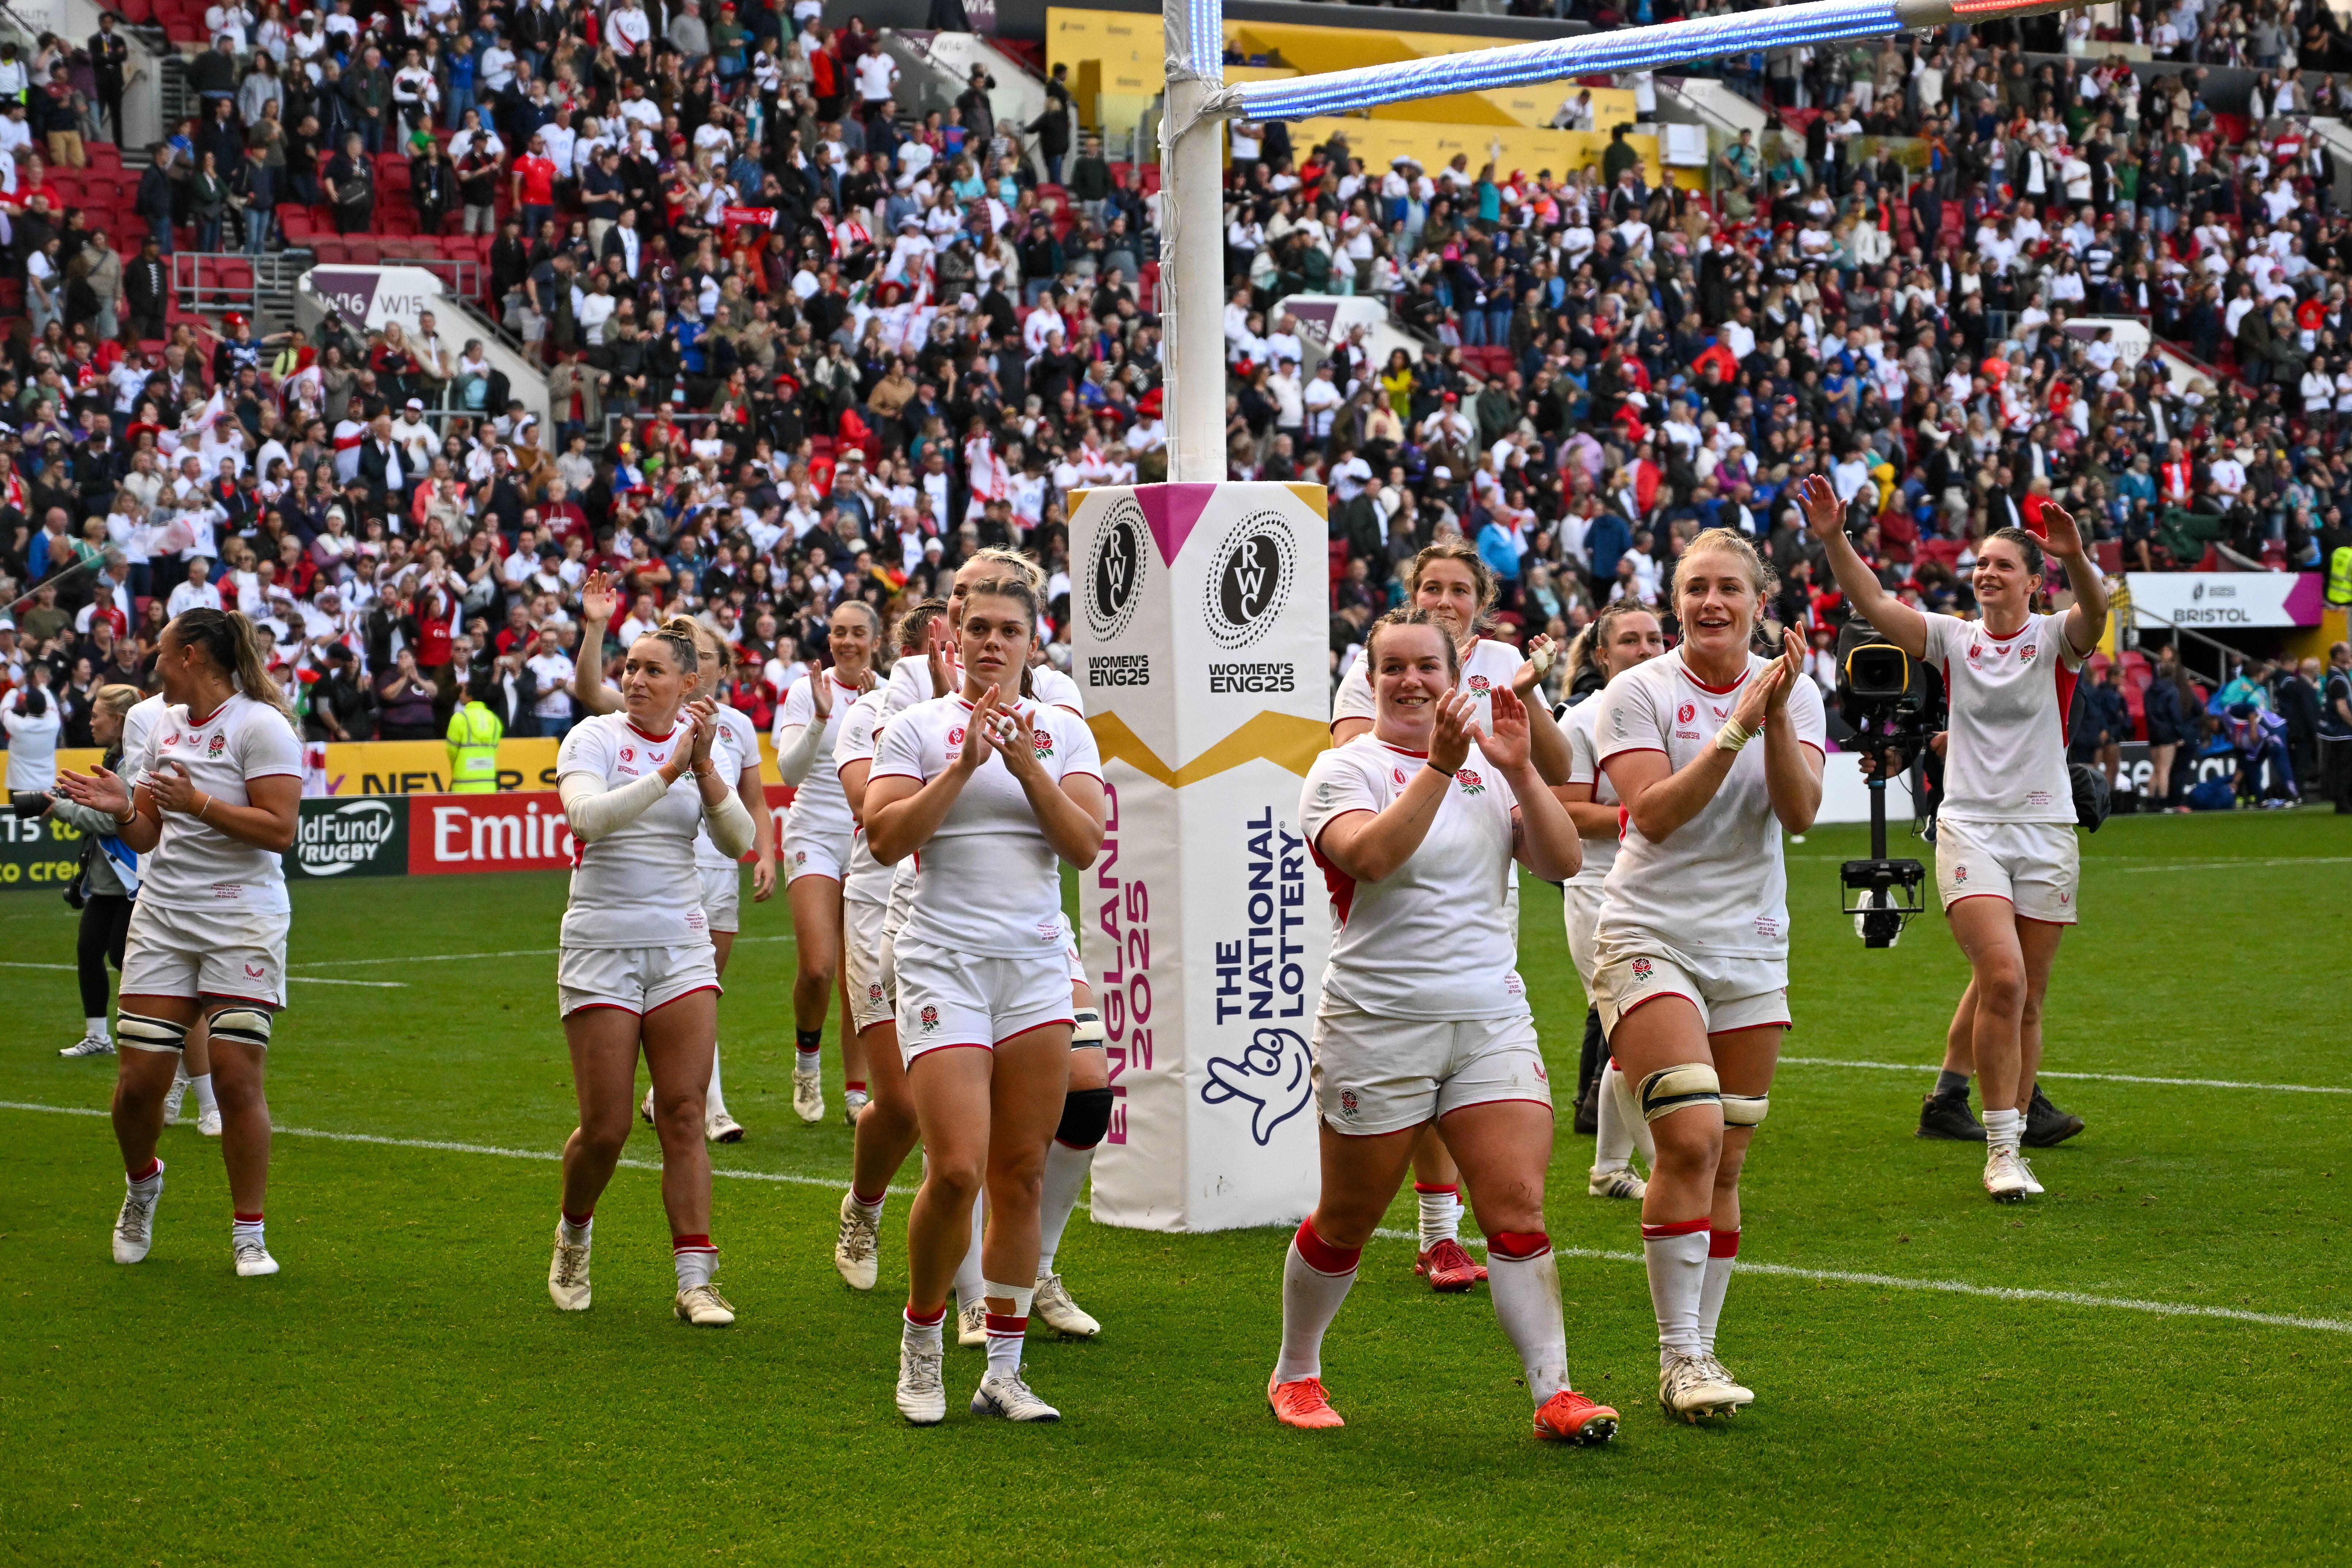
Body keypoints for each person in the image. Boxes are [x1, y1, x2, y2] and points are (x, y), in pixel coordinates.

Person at [1270, 607, 1616, 1444]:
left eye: (1427, 665)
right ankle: (1296, 1367)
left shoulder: (1491, 765)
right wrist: (1439, 767)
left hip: (1489, 1016)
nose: (1411, 680)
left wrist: (1522, 770)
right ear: (1371, 677)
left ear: (1454, 675)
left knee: (1517, 1210)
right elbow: (1373, 857)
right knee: (1347, 1218)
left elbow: (1563, 862)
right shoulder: (1339, 769)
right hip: (1376, 1020)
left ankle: (1554, 1394)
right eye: (1393, 667)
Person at [1811, 474, 2107, 1203]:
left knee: (2027, 995)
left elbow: (2094, 613)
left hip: (2044, 830)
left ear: (2032, 582)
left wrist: (2074, 557)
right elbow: (1873, 603)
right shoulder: (1951, 637)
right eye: (1979, 562)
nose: (1984, 571)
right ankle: (2002, 1149)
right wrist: (1832, 538)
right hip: (1969, 824)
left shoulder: (2051, 637)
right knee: (2001, 977)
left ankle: (1989, 1118)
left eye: (2001, 564)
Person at [1590, 527, 1822, 1422]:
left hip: (1752, 943)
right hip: (1650, 930)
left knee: (1726, 1159)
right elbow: (1652, 816)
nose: (1711, 603)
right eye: (1695, 588)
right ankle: (1679, 1356)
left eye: (1729, 587)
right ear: (1676, 598)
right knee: (1687, 1136)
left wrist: (1773, 716)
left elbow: (1799, 814)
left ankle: (1704, 1347)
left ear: (1759, 602)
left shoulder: (1796, 694)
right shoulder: (1636, 690)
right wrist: (1733, 727)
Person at [864, 572, 1105, 1426]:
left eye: (1011, 629)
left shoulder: (1068, 732)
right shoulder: (916, 729)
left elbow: (1083, 846)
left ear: (1034, 642)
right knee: (958, 1165)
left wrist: (1026, 764)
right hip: (943, 963)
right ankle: (923, 1337)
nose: (993, 643)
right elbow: (886, 835)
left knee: (1021, 1169)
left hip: (1034, 966)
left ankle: (1004, 1369)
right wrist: (964, 764)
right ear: (952, 638)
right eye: (978, 628)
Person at [1328, 539, 1567, 1291]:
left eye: (1457, 588)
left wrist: (1526, 701)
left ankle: (1548, 1377)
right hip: (1399, 875)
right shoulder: (1372, 672)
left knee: (1460, 1044)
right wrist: (1439, 756)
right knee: (1414, 1068)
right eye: (1429, 585)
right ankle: (1436, 1228)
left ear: (1480, 602)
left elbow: (1554, 776)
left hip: (1480, 869)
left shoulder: (1500, 666)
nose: (1442, 598)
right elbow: (1356, 761)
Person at [55, 610, 304, 1279]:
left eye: (159, 650)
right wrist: (122, 808)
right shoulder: (158, 723)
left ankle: (249, 1233)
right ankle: (142, 1185)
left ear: (191, 656)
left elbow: (280, 831)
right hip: (164, 915)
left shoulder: (261, 725)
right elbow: (146, 836)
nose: (149, 659)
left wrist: (199, 804)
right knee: (138, 1087)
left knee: (234, 1078)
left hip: (243, 918)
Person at [545, 624, 756, 1326]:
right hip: (601, 942)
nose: (635, 680)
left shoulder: (709, 745)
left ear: (688, 684)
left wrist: (702, 768)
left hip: (681, 943)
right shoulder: (594, 738)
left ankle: (696, 1279)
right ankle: (574, 1231)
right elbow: (584, 818)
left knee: (686, 1113)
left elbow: (740, 842)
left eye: (652, 671)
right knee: (605, 1128)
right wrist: (669, 769)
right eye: (629, 668)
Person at [571, 573, 776, 1143]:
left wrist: (764, 851)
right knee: (690, 993)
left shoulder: (731, 727)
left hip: (713, 872)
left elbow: (750, 805)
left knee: (697, 995)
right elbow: (590, 689)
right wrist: (595, 626)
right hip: (646, 894)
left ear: (711, 668)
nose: (638, 678)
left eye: (704, 651)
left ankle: (678, 1096)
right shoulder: (632, 718)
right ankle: (708, 1107)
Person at [830, 601, 945, 1293]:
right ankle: (863, 1208)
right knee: (900, 1105)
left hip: (961, 912)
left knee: (965, 1105)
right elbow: (867, 809)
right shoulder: (866, 716)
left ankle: (990, 1279)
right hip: (878, 908)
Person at [1553, 601, 1667, 1203]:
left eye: (1653, 638)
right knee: (1634, 1035)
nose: (1645, 649)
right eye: (1629, 641)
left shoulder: (1678, 705)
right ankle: (1672, 1168)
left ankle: (1607, 1170)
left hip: (1668, 886)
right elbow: (1567, 811)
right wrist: (1649, 812)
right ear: (1601, 655)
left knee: (1630, 1035)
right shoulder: (1582, 720)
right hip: (1600, 889)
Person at [772, 599, 881, 1124]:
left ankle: (856, 1091)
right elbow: (790, 772)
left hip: (868, 839)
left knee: (859, 976)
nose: (846, 641)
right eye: (838, 632)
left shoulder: (890, 695)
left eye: (857, 632)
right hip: (813, 831)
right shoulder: (804, 689)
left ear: (874, 640)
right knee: (817, 968)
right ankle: (806, 1062)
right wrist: (819, 715)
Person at [46, 686, 145, 1060]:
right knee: (90, 951)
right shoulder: (114, 756)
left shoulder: (133, 761)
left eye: (96, 716)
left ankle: (155, 1033)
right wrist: (72, 795)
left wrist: (60, 808)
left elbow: (112, 819)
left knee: (123, 956)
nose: (89, 723)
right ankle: (98, 1036)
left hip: (133, 878)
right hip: (109, 879)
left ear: (118, 721)